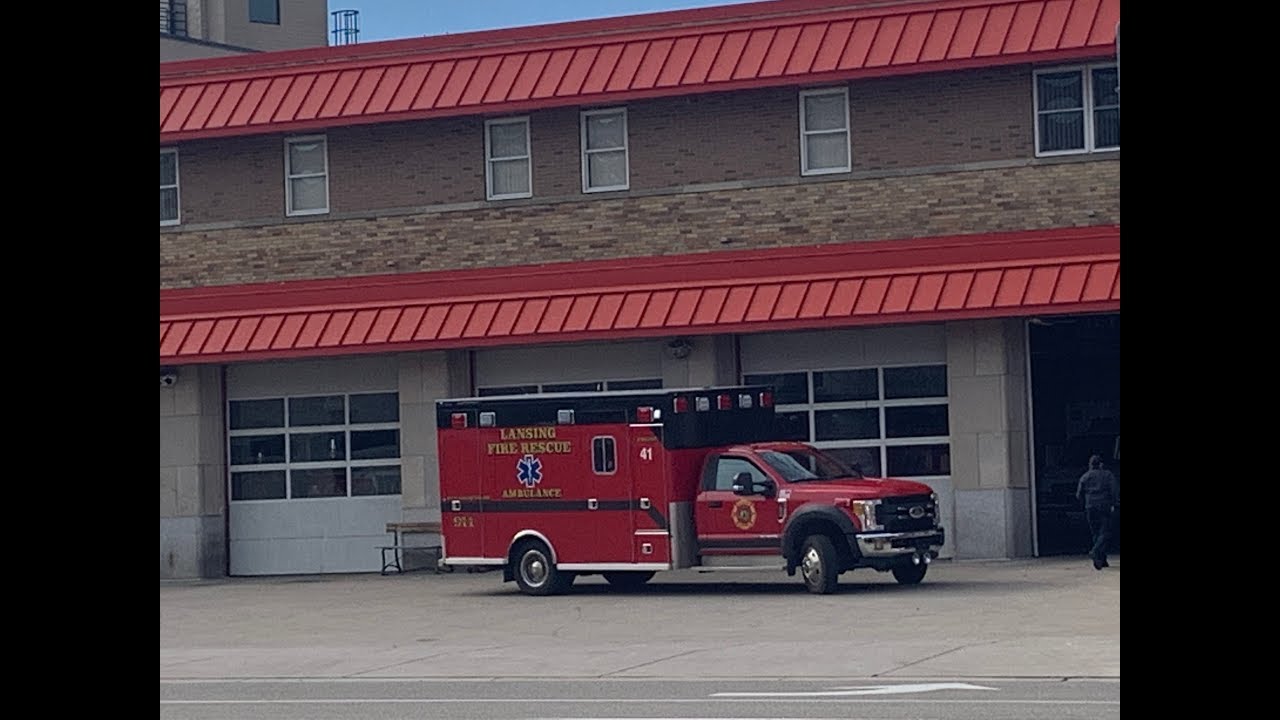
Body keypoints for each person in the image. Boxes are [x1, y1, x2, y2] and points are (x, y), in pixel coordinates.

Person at [1076, 454, 1120, 570]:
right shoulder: (1108, 475)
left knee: (1095, 532)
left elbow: (1079, 494)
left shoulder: (1085, 476)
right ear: (1101, 464)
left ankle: (1101, 560)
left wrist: (1083, 505)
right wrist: (1115, 504)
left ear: (1090, 465)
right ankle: (1096, 551)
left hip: (1090, 507)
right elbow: (1114, 490)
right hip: (1104, 506)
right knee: (1106, 532)